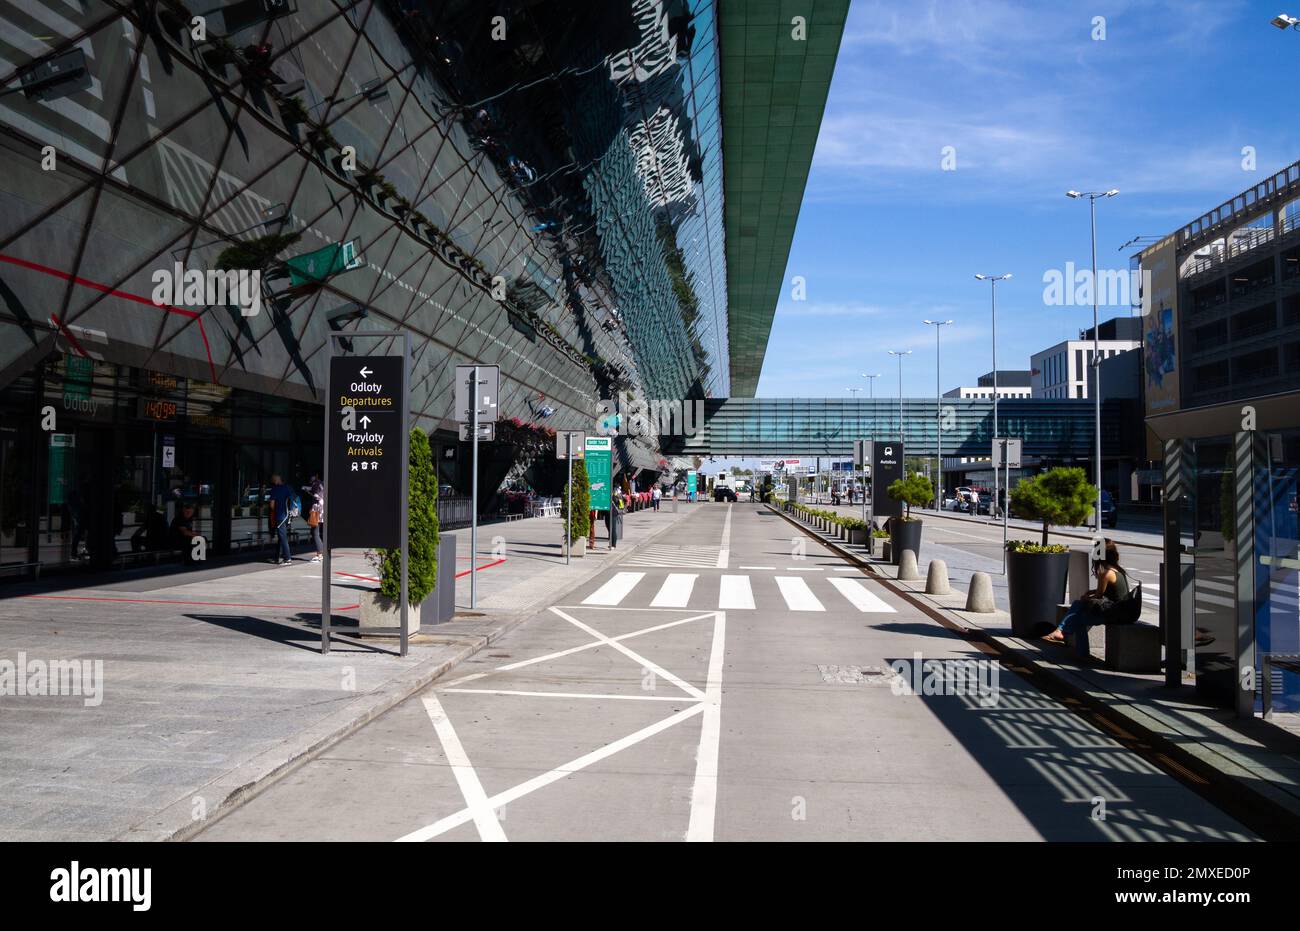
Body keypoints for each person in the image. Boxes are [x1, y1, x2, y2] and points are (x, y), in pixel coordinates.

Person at [1043, 540, 1131, 655]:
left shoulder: (1106, 573)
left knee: (1079, 618)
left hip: (1115, 615)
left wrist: (1085, 598)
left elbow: (1098, 597)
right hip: (1122, 611)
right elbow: (1109, 591)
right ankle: (1061, 632)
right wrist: (1090, 593)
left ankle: (1073, 645)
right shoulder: (1118, 570)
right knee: (1078, 606)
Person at [267, 474, 294, 566]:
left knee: (282, 537)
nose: (273, 482)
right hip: (287, 516)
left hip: (280, 516)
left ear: (276, 481)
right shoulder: (287, 488)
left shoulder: (274, 489)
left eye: (273, 480)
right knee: (281, 536)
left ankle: (287, 558)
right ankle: (278, 557)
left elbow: (272, 505)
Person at [304, 475, 325, 563]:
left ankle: (320, 555)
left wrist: (307, 491)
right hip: (322, 511)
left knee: (315, 532)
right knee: (316, 532)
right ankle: (321, 553)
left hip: (317, 511)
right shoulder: (322, 484)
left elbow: (316, 496)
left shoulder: (316, 484)